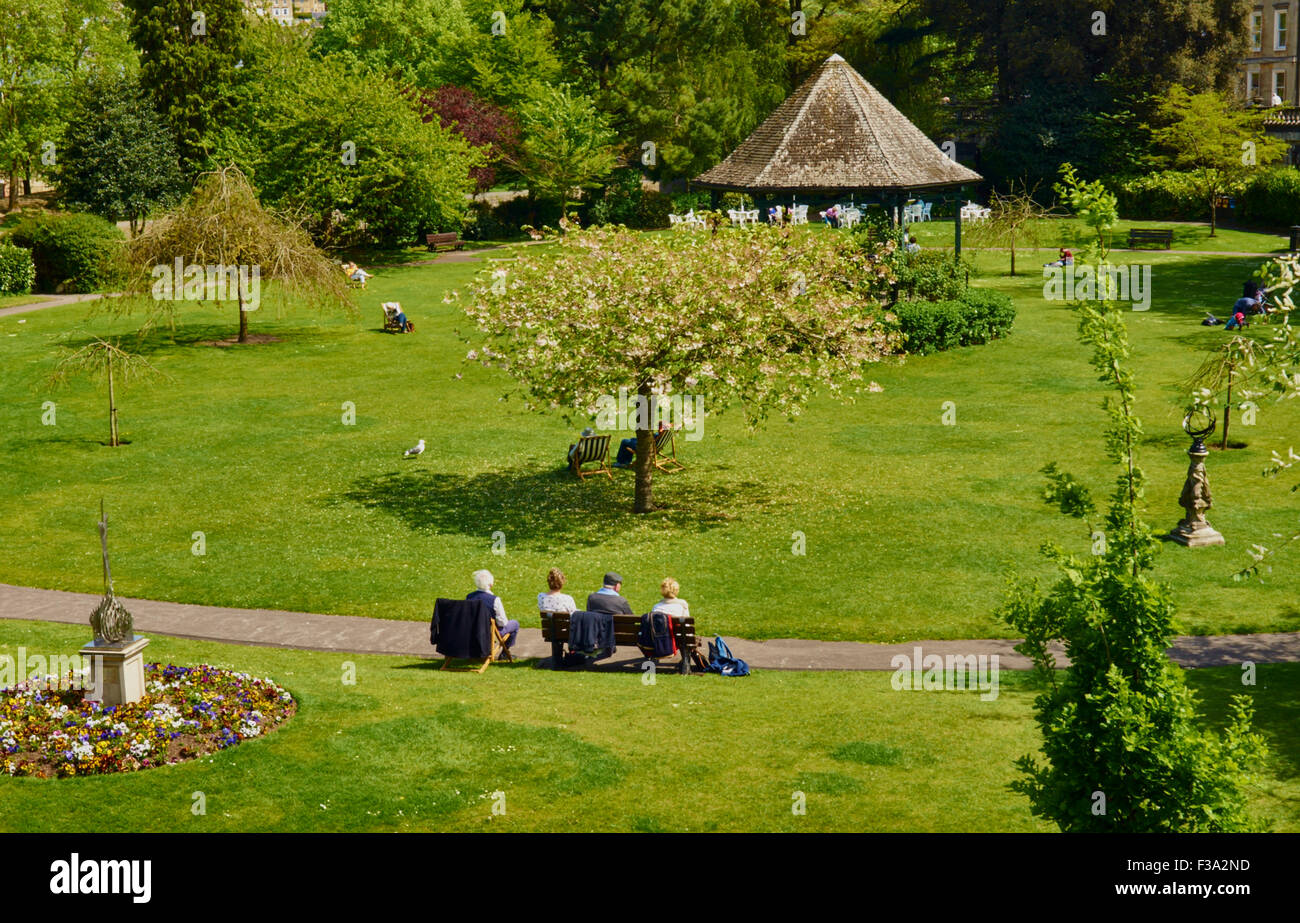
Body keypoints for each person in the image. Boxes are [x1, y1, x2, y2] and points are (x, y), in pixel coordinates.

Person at [468, 569, 518, 653]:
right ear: (491, 584)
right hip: (490, 632)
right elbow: (503, 623)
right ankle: (505, 653)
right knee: (515, 624)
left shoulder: (469, 597)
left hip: (472, 631)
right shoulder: (494, 600)